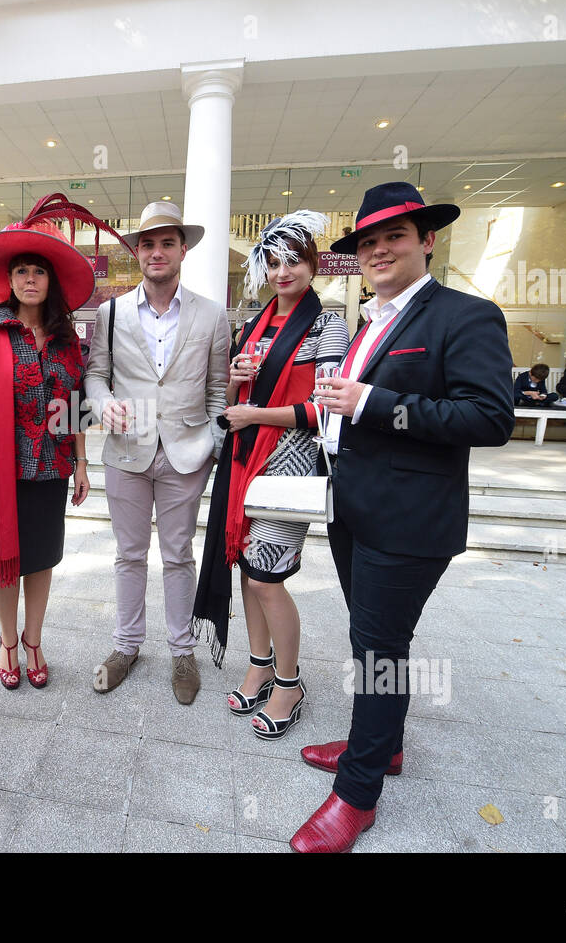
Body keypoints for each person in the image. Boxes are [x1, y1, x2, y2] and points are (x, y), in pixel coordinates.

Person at [293, 183, 513, 852]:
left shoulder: (465, 315)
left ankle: (358, 795)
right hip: (353, 509)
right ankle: (381, 745)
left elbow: (489, 416)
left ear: (428, 240)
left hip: (411, 519)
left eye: (393, 235)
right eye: (367, 242)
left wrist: (371, 401)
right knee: (371, 643)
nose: (378, 249)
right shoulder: (372, 319)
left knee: (379, 647)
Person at [192, 211, 350, 738]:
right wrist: (238, 383)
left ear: (312, 264)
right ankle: (259, 663)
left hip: (292, 461)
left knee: (265, 574)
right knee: (245, 568)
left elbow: (326, 409)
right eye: (275, 261)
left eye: (295, 260)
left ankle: (289, 681)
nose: (284, 272)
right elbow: (232, 400)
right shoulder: (253, 325)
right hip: (244, 458)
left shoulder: (329, 324)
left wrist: (255, 412)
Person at [0, 195, 118, 689]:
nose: (29, 279)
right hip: (3, 472)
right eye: (21, 271)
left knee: (41, 559)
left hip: (50, 469)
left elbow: (76, 408)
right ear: (9, 280)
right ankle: (7, 643)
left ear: (50, 283)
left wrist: (83, 464)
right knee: (6, 561)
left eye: (38, 272)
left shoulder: (68, 341)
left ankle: (34, 640)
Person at [82, 201, 230, 705]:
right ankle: (126, 645)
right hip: (126, 452)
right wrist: (102, 406)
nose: (157, 251)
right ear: (138, 252)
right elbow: (95, 375)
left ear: (183, 250)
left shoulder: (212, 315)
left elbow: (217, 391)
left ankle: (181, 650)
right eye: (148, 243)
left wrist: (212, 443)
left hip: (186, 453)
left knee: (177, 555)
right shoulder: (111, 311)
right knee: (128, 554)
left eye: (168, 242)